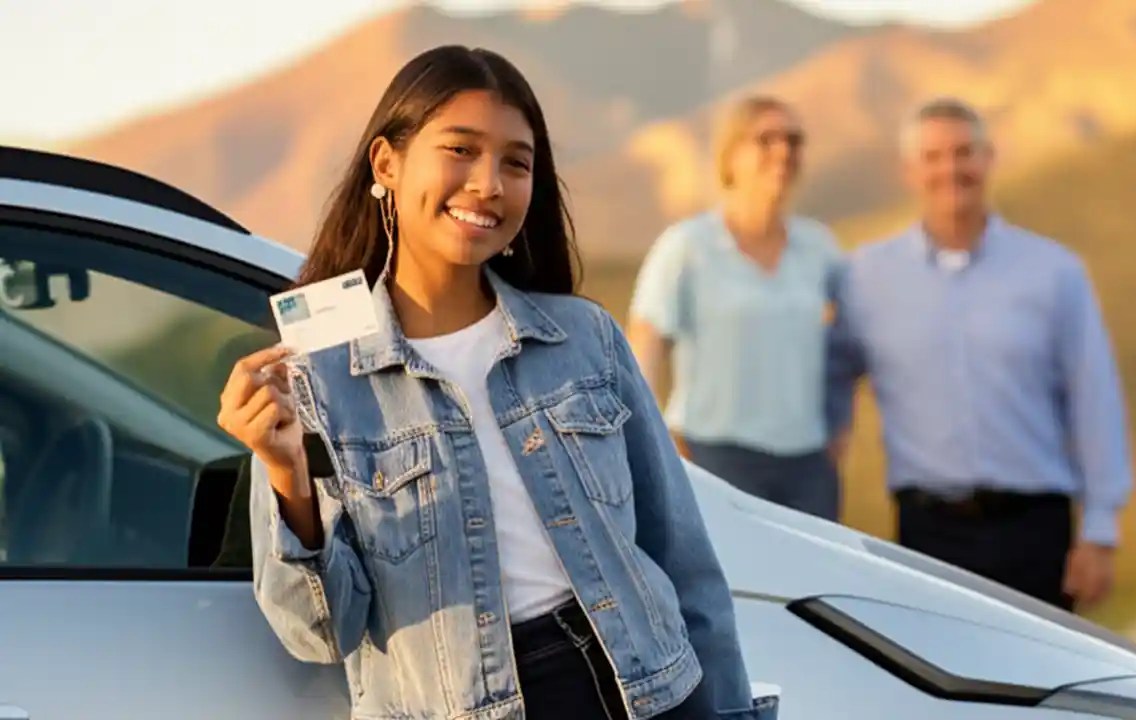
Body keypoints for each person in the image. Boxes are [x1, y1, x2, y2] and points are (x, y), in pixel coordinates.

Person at [216, 46, 777, 720]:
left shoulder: (584, 339)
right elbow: (319, 633)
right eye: (461, 150)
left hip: (652, 692)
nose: (489, 184)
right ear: (386, 164)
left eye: (516, 162)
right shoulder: (318, 378)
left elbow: (682, 559)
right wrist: (286, 476)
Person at [826, 96, 1134, 612]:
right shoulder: (864, 277)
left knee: (1043, 687)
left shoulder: (1055, 272)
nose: (951, 169)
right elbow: (828, 385)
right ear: (909, 171)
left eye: (964, 152)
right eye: (934, 156)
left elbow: (1094, 399)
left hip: (1038, 533)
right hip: (928, 537)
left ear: (988, 158)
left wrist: (1100, 531)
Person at [627, 96, 844, 522]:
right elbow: (644, 348)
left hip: (808, 469)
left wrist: (840, 435)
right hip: (713, 458)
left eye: (793, 140)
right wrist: (659, 445)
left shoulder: (820, 249)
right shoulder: (687, 246)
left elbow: (848, 348)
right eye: (765, 139)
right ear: (731, 156)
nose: (783, 151)